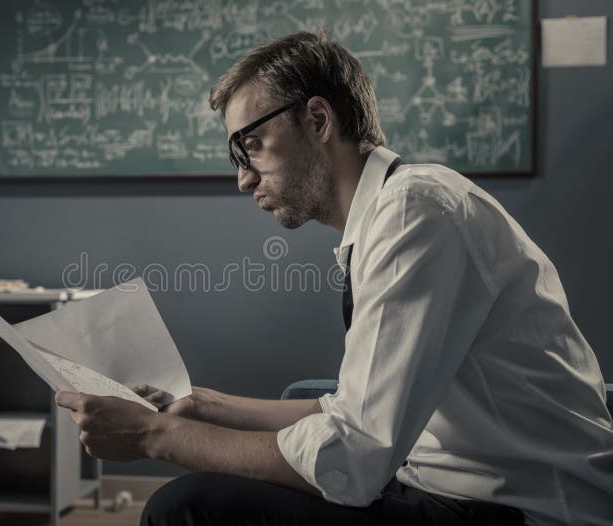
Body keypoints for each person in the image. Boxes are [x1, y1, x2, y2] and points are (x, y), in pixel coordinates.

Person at [55, 31, 613, 525]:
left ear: (318, 120)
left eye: (251, 145)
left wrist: (156, 436)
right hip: (446, 484)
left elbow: (355, 452)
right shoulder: (389, 216)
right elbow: (356, 407)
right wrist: (202, 406)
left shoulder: (417, 211)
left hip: (524, 509)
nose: (244, 180)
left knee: (183, 507)